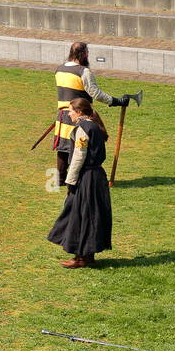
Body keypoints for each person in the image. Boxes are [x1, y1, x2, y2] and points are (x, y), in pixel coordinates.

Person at [53, 42, 134, 188]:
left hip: (64, 115)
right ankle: (78, 179)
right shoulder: (83, 72)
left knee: (64, 149)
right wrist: (116, 101)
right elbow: (95, 93)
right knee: (82, 149)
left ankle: (60, 180)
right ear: (83, 54)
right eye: (87, 52)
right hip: (80, 115)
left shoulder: (60, 69)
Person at [47, 97, 112, 269]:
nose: (68, 113)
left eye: (71, 110)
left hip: (87, 178)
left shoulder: (83, 128)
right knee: (91, 215)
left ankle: (80, 258)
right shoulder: (94, 126)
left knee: (80, 215)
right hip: (97, 177)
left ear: (80, 112)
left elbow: (78, 157)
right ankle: (88, 255)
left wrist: (70, 181)